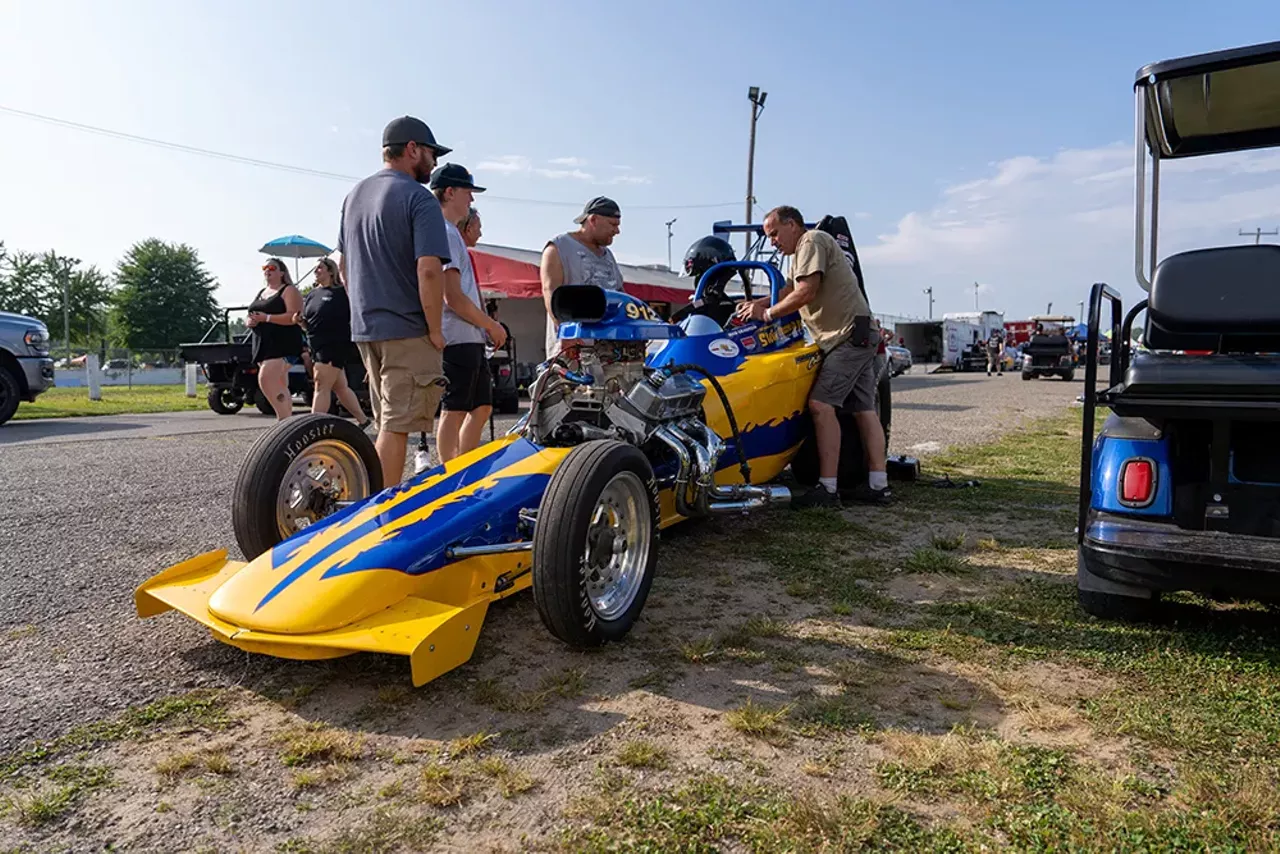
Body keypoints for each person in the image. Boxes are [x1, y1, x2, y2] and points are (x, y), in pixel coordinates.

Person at [734, 205, 890, 508]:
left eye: (775, 234)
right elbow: (791, 289)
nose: (773, 242)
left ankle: (827, 490)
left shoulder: (812, 241)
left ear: (793, 224)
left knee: (820, 405)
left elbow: (806, 291)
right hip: (858, 331)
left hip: (846, 336)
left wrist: (765, 313)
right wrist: (756, 303)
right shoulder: (801, 254)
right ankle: (878, 485)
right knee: (864, 410)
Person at [337, 115, 452, 487]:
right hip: (407, 329)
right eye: (431, 154)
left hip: (367, 329)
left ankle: (367, 506)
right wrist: (435, 330)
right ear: (412, 149)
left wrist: (363, 310)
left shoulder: (354, 196)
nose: (434, 164)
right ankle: (378, 519)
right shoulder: (420, 198)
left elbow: (343, 267)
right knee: (398, 427)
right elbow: (430, 270)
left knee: (386, 422)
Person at [429, 163, 507, 464]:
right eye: (467, 193)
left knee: (482, 405)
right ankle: (451, 473)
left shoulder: (450, 234)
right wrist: (491, 325)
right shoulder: (445, 233)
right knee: (455, 408)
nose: (471, 200)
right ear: (449, 192)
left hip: (468, 336)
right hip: (456, 336)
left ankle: (465, 464)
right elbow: (453, 297)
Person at [539, 196, 623, 360]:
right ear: (593, 220)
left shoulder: (608, 256)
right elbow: (550, 291)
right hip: (572, 350)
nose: (617, 231)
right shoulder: (559, 247)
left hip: (608, 352)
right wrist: (566, 332)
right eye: (613, 225)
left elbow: (621, 296)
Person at [299, 257, 371, 426]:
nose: (316, 271)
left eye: (320, 268)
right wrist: (300, 321)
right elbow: (308, 323)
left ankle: (312, 426)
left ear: (330, 271)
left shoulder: (341, 293)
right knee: (340, 387)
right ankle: (363, 420)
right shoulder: (312, 294)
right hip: (315, 344)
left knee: (320, 385)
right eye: (315, 269)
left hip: (334, 345)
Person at [246, 258, 305, 420]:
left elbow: (293, 316)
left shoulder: (289, 290)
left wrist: (267, 318)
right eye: (264, 267)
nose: (267, 270)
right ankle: (287, 421)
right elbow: (250, 314)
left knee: (266, 380)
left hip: (282, 345)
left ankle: (282, 421)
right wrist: (249, 321)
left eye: (272, 267)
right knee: (280, 384)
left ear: (282, 272)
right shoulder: (261, 292)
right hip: (262, 345)